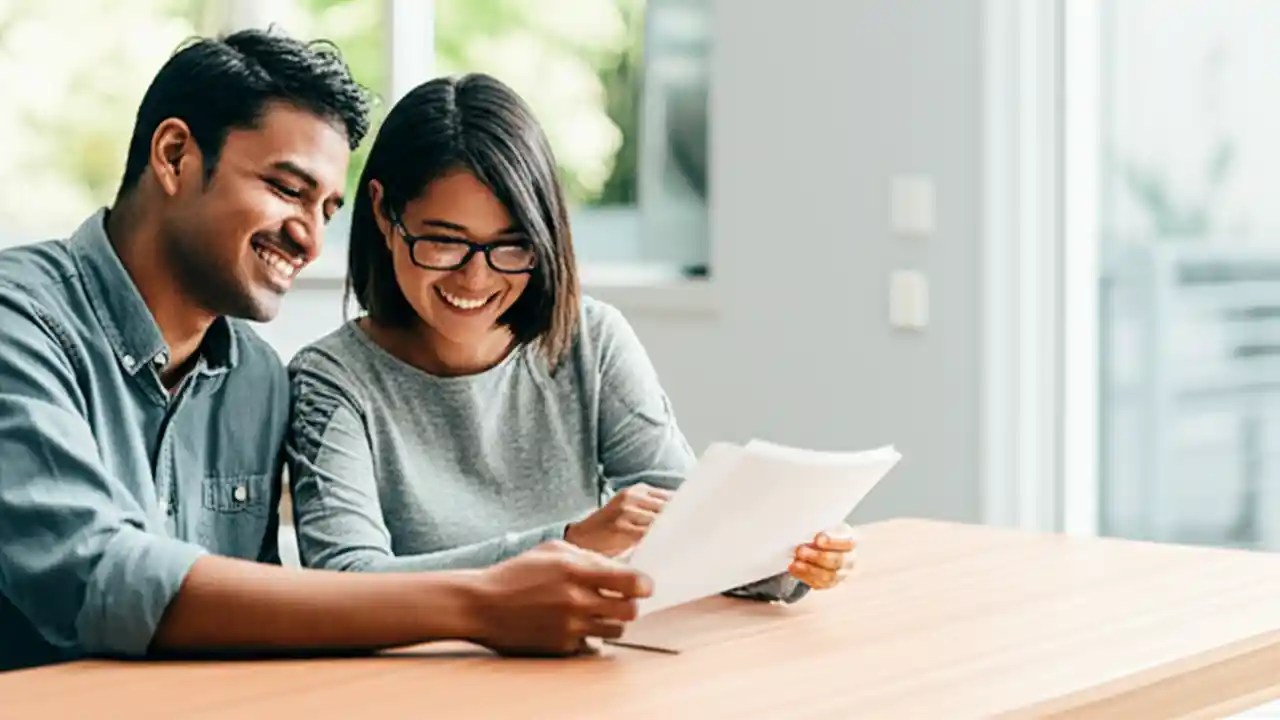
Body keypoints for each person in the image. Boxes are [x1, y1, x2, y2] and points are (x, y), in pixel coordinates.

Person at [0, 31, 651, 673]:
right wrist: (479, 601)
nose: (309, 239)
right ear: (174, 156)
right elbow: (99, 575)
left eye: (326, 208)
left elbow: (250, 616)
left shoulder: (253, 379)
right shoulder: (20, 320)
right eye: (287, 189)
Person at [287, 74, 857, 600]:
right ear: (386, 214)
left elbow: (691, 532)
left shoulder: (590, 340)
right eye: (444, 242)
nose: (476, 278)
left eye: (512, 245)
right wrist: (571, 542)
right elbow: (347, 583)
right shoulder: (331, 382)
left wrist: (787, 559)